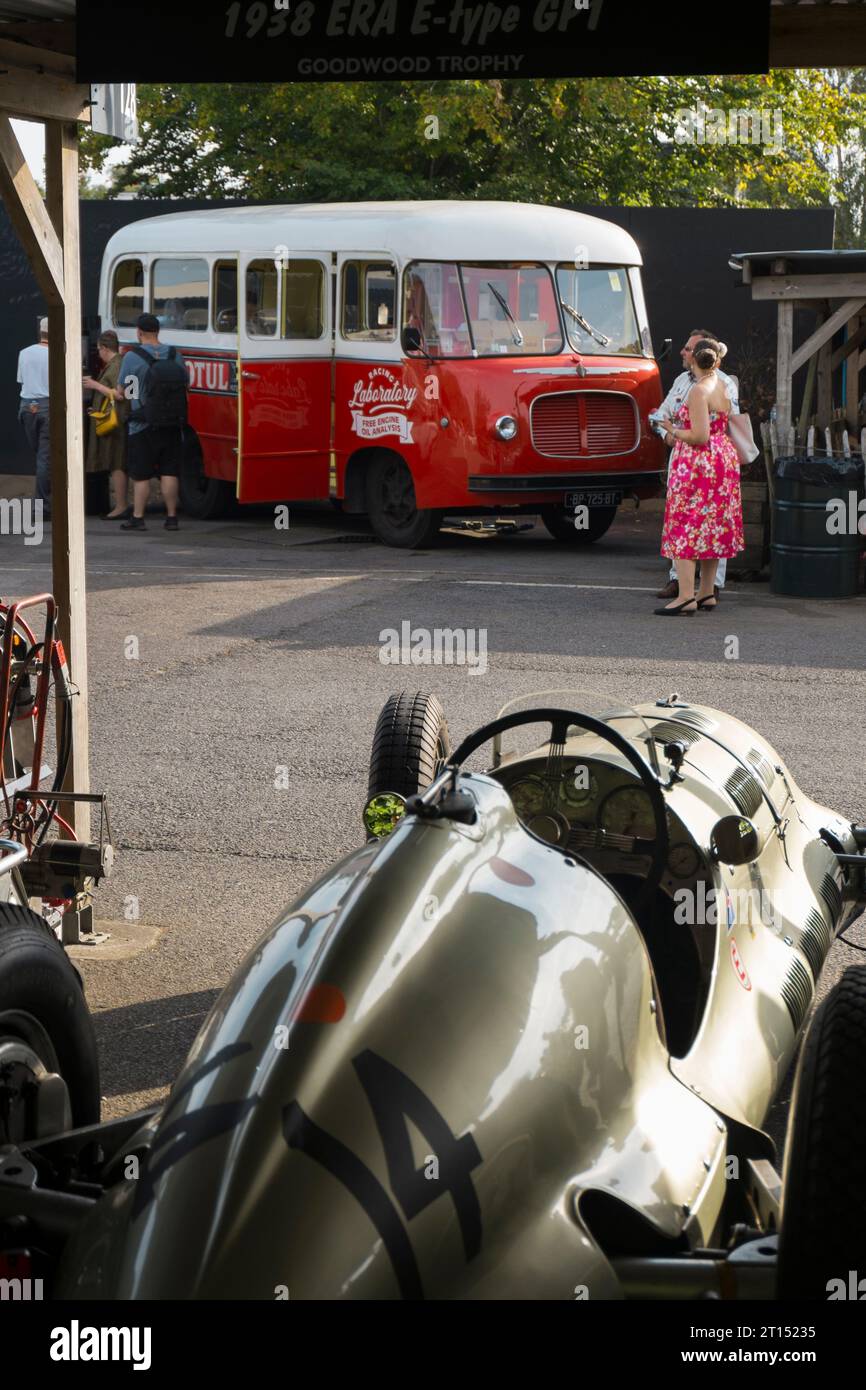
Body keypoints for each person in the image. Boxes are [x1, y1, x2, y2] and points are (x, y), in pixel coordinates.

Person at [654, 336, 744, 615]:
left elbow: (699, 435)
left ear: (694, 359)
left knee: (684, 526)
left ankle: (685, 596)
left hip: (697, 464)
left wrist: (672, 430)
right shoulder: (723, 385)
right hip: (723, 461)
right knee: (712, 526)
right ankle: (706, 592)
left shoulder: (698, 390)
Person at [118, 312, 188, 532]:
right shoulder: (175, 354)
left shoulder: (131, 357)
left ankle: (138, 517)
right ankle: (172, 518)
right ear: (158, 331)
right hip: (172, 423)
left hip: (142, 424)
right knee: (169, 471)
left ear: (139, 332)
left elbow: (126, 392)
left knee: (141, 474)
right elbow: (186, 384)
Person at [83, 330, 131, 519]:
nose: (98, 354)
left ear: (104, 348)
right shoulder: (117, 363)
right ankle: (121, 504)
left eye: (98, 350)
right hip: (113, 420)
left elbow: (121, 395)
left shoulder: (117, 365)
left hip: (116, 423)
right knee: (115, 463)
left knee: (117, 463)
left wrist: (95, 385)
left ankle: (121, 505)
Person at [17, 317, 51, 517]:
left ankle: (44, 501)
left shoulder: (24, 353)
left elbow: (21, 380)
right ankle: (43, 507)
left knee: (40, 455)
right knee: (44, 458)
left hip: (27, 406)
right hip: (47, 406)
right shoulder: (56, 354)